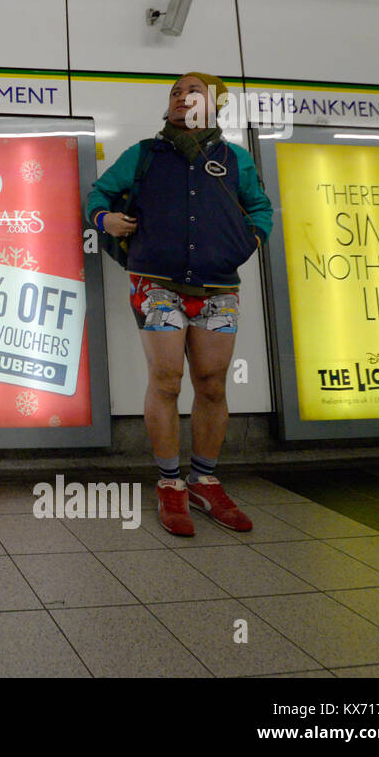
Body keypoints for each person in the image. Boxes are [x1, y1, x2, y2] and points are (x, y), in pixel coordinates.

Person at [86, 72, 272, 536]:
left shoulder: (234, 160)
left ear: (213, 104)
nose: (180, 97)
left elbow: (262, 211)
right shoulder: (144, 155)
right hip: (156, 285)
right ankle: (170, 484)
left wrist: (241, 244)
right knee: (166, 382)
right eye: (174, 91)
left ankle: (204, 479)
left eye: (192, 90)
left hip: (218, 288)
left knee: (211, 384)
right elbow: (98, 195)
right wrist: (104, 218)